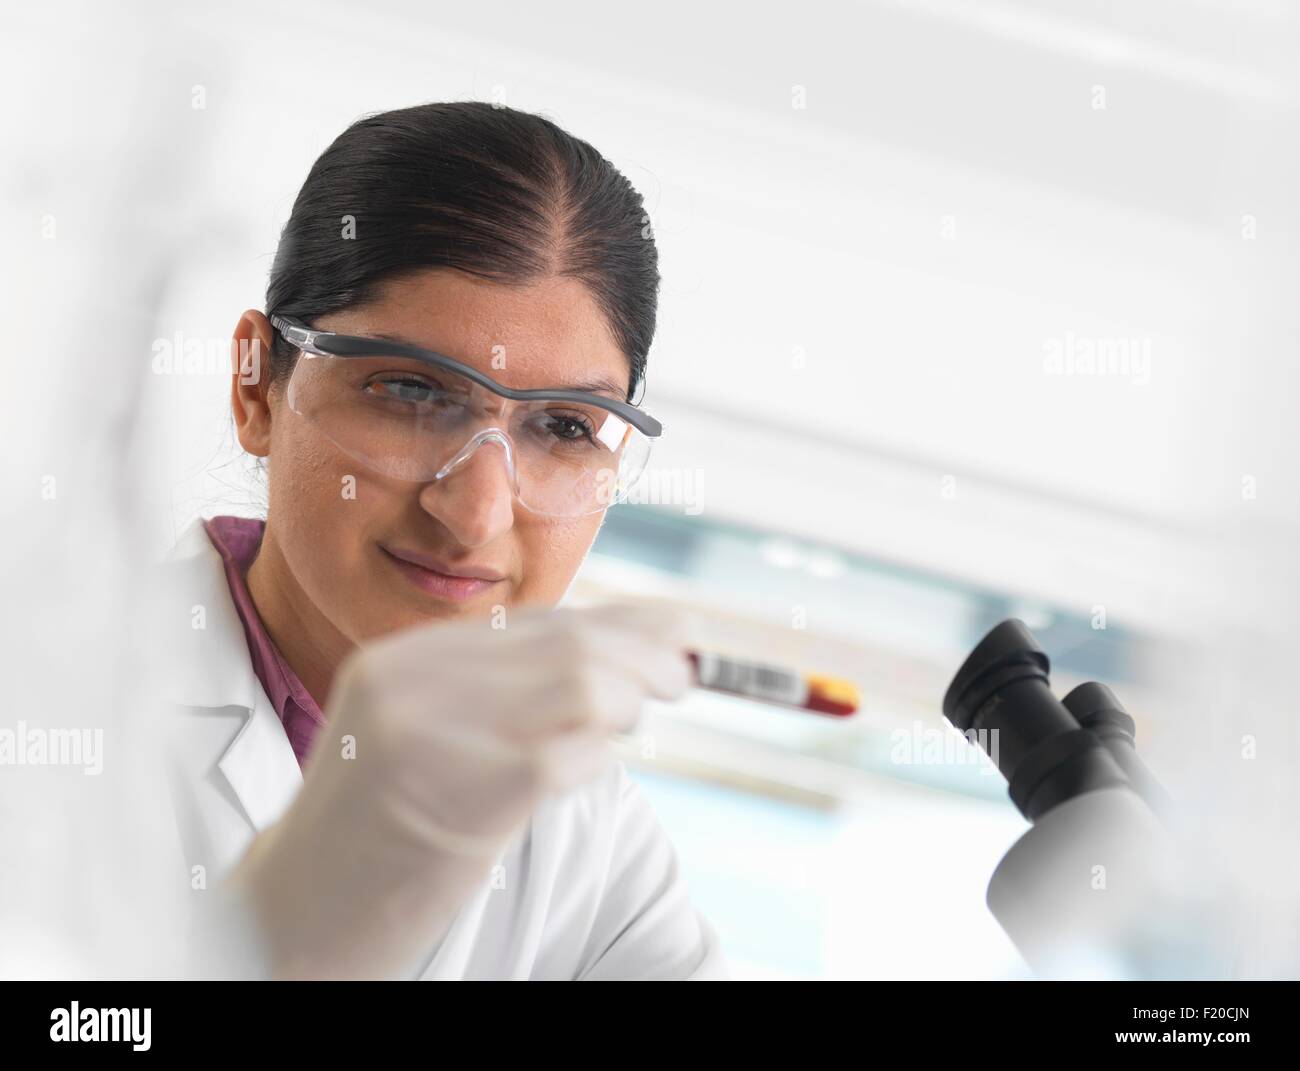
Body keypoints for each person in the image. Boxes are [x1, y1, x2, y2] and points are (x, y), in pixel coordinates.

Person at [156, 101, 727, 980]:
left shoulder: (588, 837)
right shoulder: (55, 701)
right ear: (256, 388)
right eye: (413, 392)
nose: (477, 512)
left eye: (567, 428)